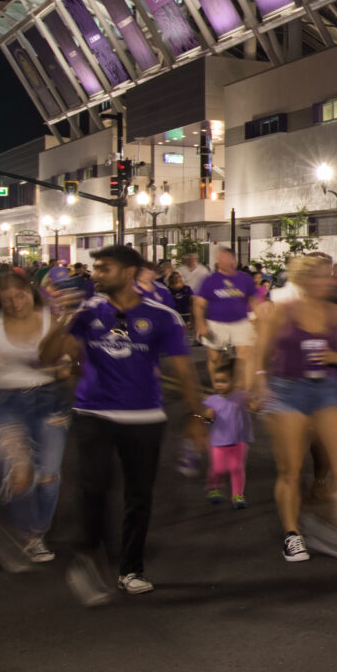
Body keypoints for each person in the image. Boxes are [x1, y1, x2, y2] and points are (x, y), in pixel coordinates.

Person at [59, 243, 204, 601]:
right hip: (93, 412)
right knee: (93, 487)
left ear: (126, 273)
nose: (95, 274)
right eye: (95, 268)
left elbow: (184, 371)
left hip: (145, 416)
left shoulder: (161, 316)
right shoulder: (86, 312)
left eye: (103, 268)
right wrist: (62, 321)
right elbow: (53, 356)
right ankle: (89, 556)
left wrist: (197, 417)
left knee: (138, 496)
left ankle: (130, 569)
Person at [246, 255, 337, 563]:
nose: (326, 282)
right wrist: (258, 385)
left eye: (328, 276)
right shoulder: (279, 312)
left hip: (326, 387)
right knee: (291, 468)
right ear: (301, 280)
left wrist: (334, 355)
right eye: (318, 276)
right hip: (288, 390)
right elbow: (259, 353)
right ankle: (292, 534)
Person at [0, 268, 68, 566]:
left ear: (30, 292)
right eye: (6, 299)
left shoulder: (51, 319)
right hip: (2, 402)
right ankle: (27, 533)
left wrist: (65, 368)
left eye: (20, 296)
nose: (15, 304)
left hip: (48, 400)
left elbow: (72, 359)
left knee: (48, 475)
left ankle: (38, 531)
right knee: (20, 473)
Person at [191, 247, 259, 391]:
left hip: (240, 322)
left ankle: (242, 387)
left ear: (233, 261)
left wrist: (259, 318)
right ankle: (217, 387)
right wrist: (200, 323)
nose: (220, 261)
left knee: (244, 356)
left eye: (224, 258)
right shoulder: (210, 280)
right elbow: (199, 304)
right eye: (219, 259)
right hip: (216, 323)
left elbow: (254, 300)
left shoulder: (245, 279)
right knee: (215, 357)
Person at [202, 381, 250, 508]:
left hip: (238, 441)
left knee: (237, 468)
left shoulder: (239, 396)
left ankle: (237, 495)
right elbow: (207, 418)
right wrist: (207, 417)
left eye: (224, 381)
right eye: (217, 381)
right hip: (218, 443)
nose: (219, 384)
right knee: (218, 469)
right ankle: (213, 487)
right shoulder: (212, 400)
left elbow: (253, 402)